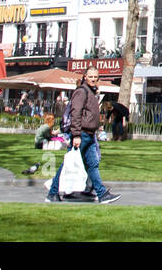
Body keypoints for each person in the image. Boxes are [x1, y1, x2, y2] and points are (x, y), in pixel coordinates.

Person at [45, 66, 121, 204]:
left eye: (95, 77)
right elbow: (76, 113)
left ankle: (102, 193)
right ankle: (52, 192)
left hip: (90, 135)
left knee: (92, 164)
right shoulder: (81, 92)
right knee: (67, 164)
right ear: (85, 77)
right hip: (82, 134)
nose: (93, 79)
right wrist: (76, 135)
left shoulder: (91, 92)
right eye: (90, 76)